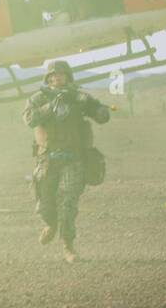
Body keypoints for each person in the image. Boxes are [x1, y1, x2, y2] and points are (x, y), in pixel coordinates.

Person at [22, 60, 110, 263]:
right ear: (48, 78)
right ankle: (50, 224)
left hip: (73, 159)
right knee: (44, 205)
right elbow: (29, 120)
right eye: (53, 75)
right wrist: (49, 107)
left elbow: (101, 114)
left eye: (61, 74)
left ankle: (68, 246)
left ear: (68, 77)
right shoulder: (38, 98)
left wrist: (99, 109)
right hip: (47, 160)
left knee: (68, 202)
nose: (57, 77)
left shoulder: (78, 97)